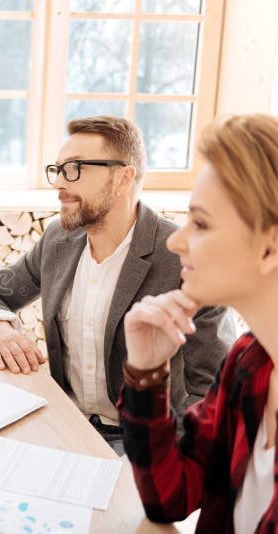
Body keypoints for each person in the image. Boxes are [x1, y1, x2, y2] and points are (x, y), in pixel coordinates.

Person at [0, 116, 234, 452]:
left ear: (123, 178)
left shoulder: (185, 258)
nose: (59, 184)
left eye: (75, 168)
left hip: (144, 443)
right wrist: (0, 329)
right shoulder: (58, 240)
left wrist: (166, 460)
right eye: (58, 169)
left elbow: (213, 392)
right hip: (62, 421)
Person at [119, 114, 278, 532]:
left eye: (201, 223)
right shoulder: (251, 363)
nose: (176, 241)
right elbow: (169, 496)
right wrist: (147, 373)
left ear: (271, 246)